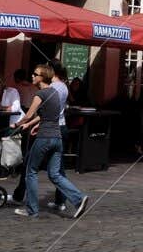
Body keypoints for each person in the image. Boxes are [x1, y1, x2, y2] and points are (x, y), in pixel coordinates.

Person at [12, 65, 91, 220]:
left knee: (30, 171)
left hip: (45, 137)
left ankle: (32, 210)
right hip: (57, 138)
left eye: (35, 74)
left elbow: (29, 114)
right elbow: (46, 115)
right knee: (55, 174)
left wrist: (17, 124)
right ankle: (79, 198)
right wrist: (32, 125)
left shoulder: (40, 94)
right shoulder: (55, 93)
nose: (32, 76)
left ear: (42, 77)